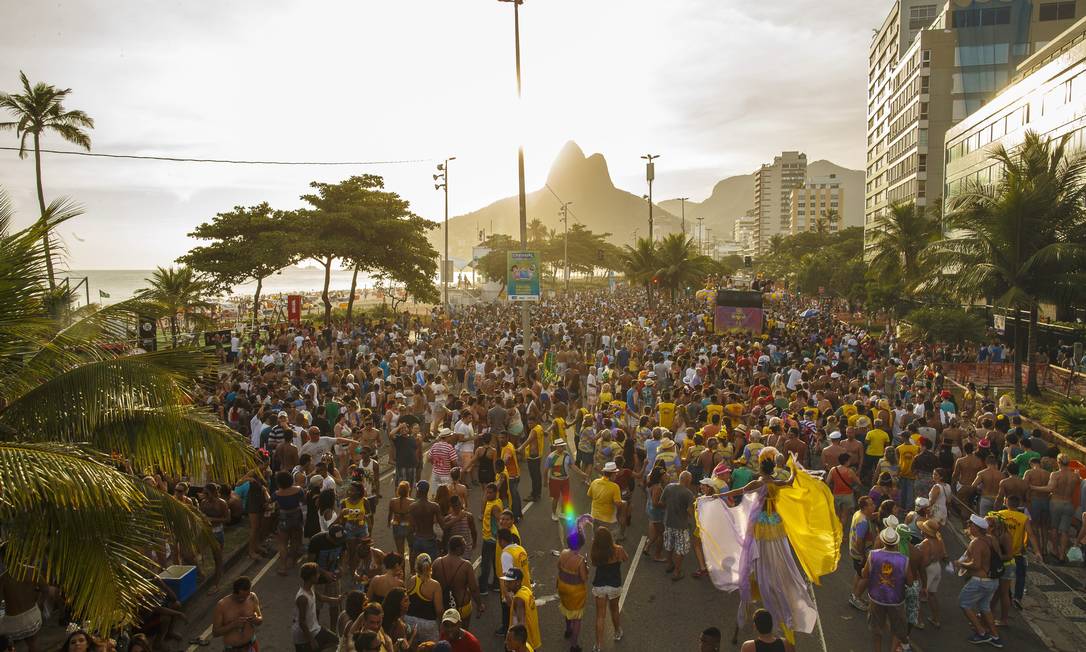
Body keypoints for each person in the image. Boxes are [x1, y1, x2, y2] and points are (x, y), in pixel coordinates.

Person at [854, 526, 913, 652]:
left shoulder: (873, 555)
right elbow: (910, 582)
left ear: (883, 541)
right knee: (897, 630)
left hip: (876, 598)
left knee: (877, 631)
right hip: (896, 600)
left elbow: (864, 575)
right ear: (896, 543)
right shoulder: (904, 560)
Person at [955, 514, 1003, 646]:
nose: (968, 526)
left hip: (980, 581)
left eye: (970, 524)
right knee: (984, 607)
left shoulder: (976, 543)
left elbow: (976, 565)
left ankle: (981, 632)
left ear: (976, 528)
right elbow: (998, 556)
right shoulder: (992, 539)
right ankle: (995, 636)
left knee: (964, 603)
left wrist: (961, 564)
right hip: (993, 580)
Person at [432, 535, 484, 630]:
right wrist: (479, 605)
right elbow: (474, 589)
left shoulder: (437, 563)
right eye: (464, 545)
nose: (465, 547)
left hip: (444, 607)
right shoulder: (466, 566)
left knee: (445, 631)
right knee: (463, 632)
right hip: (462, 607)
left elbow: (432, 584)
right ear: (458, 549)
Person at [590, 525, 627, 650]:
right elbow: (625, 558)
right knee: (614, 610)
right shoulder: (618, 549)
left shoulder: (596, 551)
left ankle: (598, 645)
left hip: (600, 585)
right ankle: (617, 632)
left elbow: (594, 563)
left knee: (600, 615)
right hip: (614, 584)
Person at [556, 522, 590, 652]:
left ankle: (568, 629)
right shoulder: (580, 561)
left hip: (562, 587)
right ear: (580, 545)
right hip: (575, 592)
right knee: (577, 618)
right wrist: (586, 568)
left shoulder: (563, 553)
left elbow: (559, 567)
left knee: (567, 610)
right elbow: (584, 578)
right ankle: (574, 645)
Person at [293, 563, 339, 652]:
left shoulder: (311, 588)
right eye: (317, 574)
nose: (319, 576)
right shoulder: (303, 598)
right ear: (312, 577)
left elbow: (321, 598)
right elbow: (302, 622)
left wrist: (337, 599)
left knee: (336, 641)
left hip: (315, 629)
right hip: (303, 636)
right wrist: (311, 640)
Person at [211, 576, 263, 652]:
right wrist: (233, 625)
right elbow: (215, 633)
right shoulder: (221, 606)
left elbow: (260, 619)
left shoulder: (252, 597)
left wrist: (256, 620)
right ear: (234, 592)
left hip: (251, 645)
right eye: (241, 597)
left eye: (246, 596)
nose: (244, 599)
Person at [661, 470, 695, 581]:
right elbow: (689, 511)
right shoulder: (688, 494)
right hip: (681, 525)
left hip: (668, 522)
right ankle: (676, 572)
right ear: (688, 480)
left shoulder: (669, 487)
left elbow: (662, 502)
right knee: (681, 549)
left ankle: (669, 564)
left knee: (669, 545)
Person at [405, 553, 444, 643]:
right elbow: (439, 610)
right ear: (430, 567)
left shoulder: (411, 580)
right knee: (431, 647)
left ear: (416, 566)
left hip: (409, 621)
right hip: (428, 624)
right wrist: (442, 624)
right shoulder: (435, 585)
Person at [502, 569, 541, 651]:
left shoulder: (519, 600)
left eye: (509, 582)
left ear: (518, 582)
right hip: (531, 637)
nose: (506, 584)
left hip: (522, 643)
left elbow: (521, 625)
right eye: (506, 581)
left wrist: (511, 641)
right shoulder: (525, 590)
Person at [587, 462, 624, 531]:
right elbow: (618, 504)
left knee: (596, 535)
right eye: (615, 474)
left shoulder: (595, 482)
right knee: (609, 536)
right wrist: (622, 504)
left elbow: (589, 495)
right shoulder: (615, 487)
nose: (616, 475)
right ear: (612, 474)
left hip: (594, 516)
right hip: (608, 520)